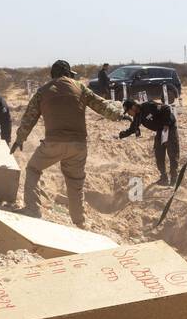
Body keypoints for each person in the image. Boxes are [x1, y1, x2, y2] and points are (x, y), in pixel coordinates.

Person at [9, 60, 125, 222]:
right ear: (68, 73)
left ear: (52, 75)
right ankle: (79, 220)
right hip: (78, 145)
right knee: (75, 182)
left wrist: (20, 138)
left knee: (33, 169)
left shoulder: (43, 91)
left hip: (53, 143)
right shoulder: (80, 88)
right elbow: (102, 106)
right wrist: (120, 114)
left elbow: (29, 117)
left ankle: (32, 209)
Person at [119, 97, 180, 186]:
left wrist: (166, 124)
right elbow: (133, 128)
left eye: (128, 111)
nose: (129, 114)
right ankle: (164, 178)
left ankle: (174, 179)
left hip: (169, 128)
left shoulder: (148, 106)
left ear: (133, 107)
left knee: (172, 154)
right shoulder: (138, 117)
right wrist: (122, 135)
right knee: (159, 154)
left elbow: (166, 108)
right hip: (160, 131)